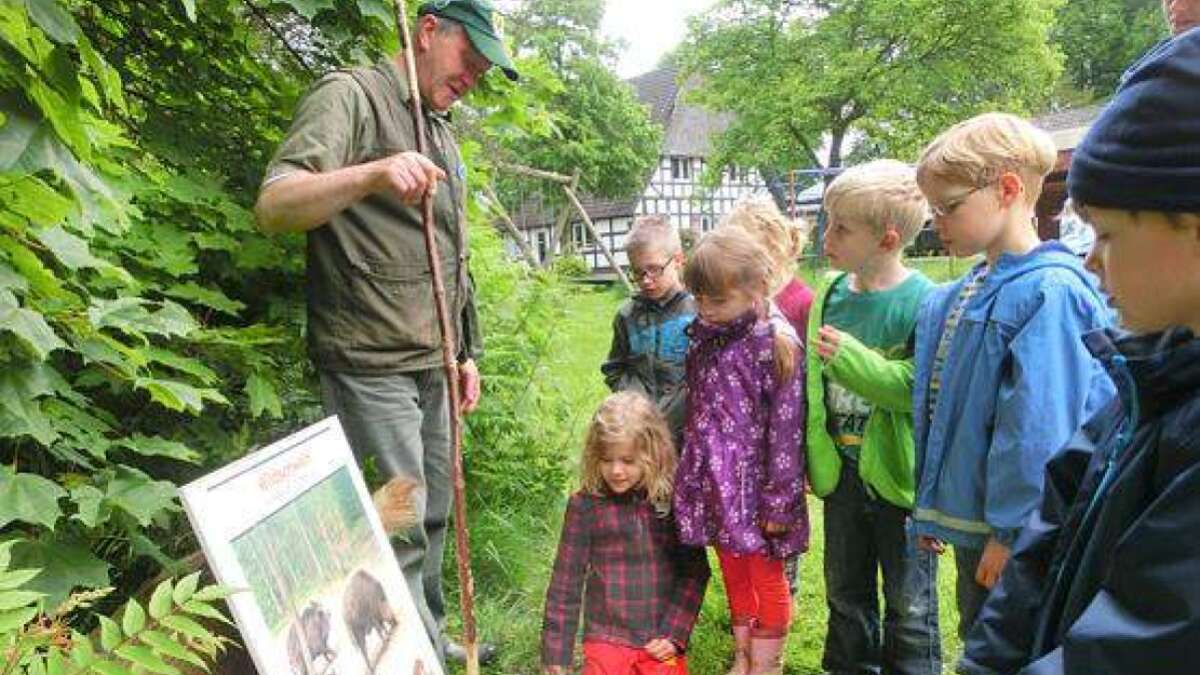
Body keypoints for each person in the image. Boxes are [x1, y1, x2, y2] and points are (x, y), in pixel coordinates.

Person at [252, 0, 517, 663]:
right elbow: (275, 204)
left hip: (435, 361)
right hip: (370, 360)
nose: (473, 77)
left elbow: (451, 254)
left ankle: (421, 629)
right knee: (396, 520)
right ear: (428, 30)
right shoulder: (352, 97)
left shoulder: (442, 129)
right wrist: (372, 172)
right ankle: (404, 654)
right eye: (469, 59)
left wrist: (467, 349)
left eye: (485, 69)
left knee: (431, 514)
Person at [960, 30, 1200, 675]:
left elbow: (1144, 646)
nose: (1091, 261)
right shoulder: (1151, 375)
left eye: (1109, 234)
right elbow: (1045, 547)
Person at [911, 113, 1115, 645]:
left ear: (1006, 189)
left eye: (949, 207)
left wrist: (1012, 534)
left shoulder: (1048, 292)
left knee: (1008, 644)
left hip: (1019, 535)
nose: (938, 223)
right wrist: (938, 510)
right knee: (978, 633)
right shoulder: (970, 289)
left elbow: (1037, 429)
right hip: (981, 527)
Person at [807, 160, 941, 675]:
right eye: (828, 221)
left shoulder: (925, 301)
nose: (827, 237)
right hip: (842, 475)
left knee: (910, 605)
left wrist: (852, 360)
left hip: (898, 480)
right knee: (845, 592)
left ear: (886, 240)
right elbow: (812, 391)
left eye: (841, 227)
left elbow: (916, 389)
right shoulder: (833, 295)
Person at [673, 227, 807, 675]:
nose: (706, 312)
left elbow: (787, 431)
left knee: (766, 574)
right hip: (717, 483)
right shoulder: (705, 336)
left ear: (757, 289)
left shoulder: (776, 343)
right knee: (733, 568)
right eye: (699, 300)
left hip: (757, 488)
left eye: (718, 301)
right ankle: (745, 657)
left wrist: (780, 499)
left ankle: (768, 665)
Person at [541, 392, 711, 675]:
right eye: (607, 460)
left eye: (628, 461)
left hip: (658, 638)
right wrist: (556, 655)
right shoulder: (585, 507)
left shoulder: (670, 503)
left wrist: (673, 634)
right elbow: (564, 585)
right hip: (606, 638)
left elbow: (694, 572)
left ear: (653, 454)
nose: (616, 471)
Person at [721, 195, 813, 597]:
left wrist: (807, 460)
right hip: (745, 443)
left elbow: (807, 388)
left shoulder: (799, 302)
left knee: (780, 528)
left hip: (787, 439)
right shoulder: (738, 303)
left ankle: (779, 607)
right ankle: (753, 607)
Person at [602, 217, 696, 440]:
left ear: (679, 261)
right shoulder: (626, 316)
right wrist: (633, 398)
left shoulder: (700, 312)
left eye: (654, 269)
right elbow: (614, 368)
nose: (646, 280)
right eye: (637, 272)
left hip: (688, 434)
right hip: (641, 434)